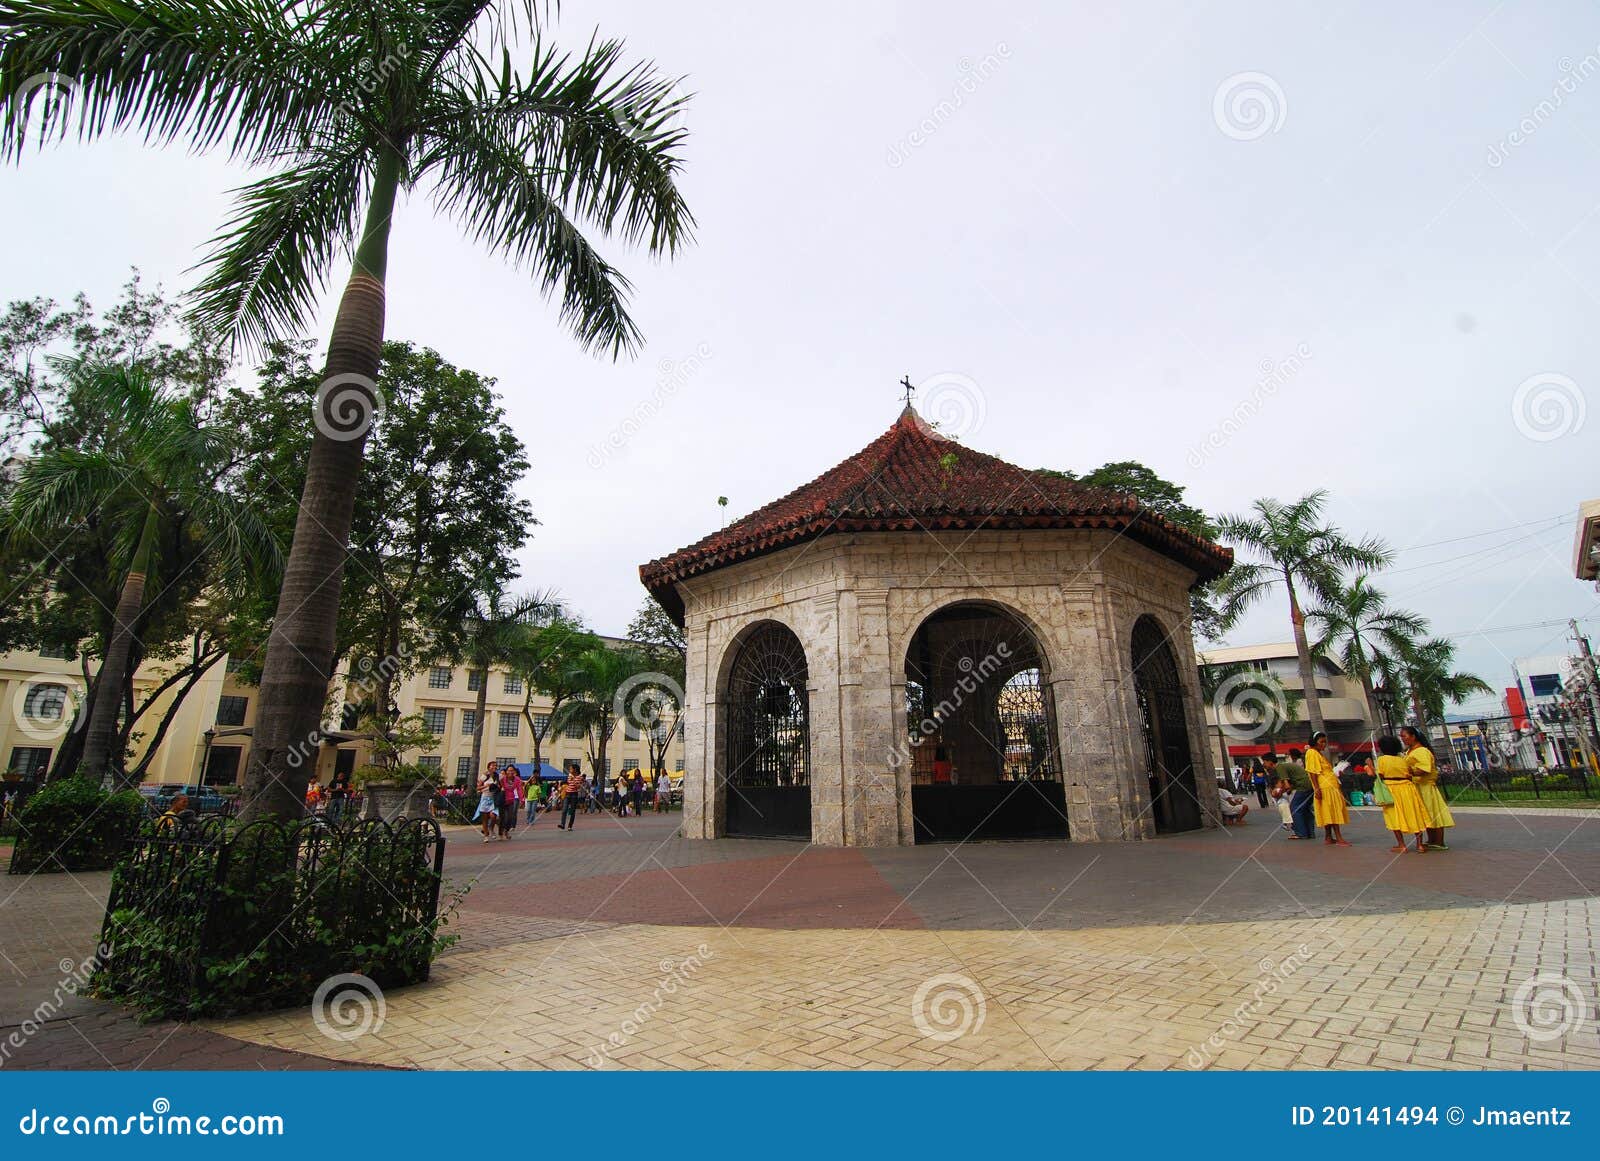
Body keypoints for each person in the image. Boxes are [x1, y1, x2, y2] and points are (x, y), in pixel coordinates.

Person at [1402, 725, 1454, 851]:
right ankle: (1432, 840)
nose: (1403, 739)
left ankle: (1439, 841)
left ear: (1413, 736)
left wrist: (1411, 772)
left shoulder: (1421, 751)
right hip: (1418, 786)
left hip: (1425, 787)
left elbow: (1425, 769)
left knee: (1433, 812)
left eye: (1404, 736)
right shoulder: (1410, 751)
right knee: (1425, 814)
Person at [1375, 734, 1428, 853]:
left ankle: (1402, 845)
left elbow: (1380, 775)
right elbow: (1409, 772)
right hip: (1407, 788)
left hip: (1392, 789)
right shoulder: (1403, 759)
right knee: (1414, 814)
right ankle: (1420, 845)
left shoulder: (1382, 759)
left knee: (1394, 816)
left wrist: (1369, 766)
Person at [1307, 731, 1349, 846]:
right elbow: (1312, 772)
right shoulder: (1312, 753)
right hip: (1325, 787)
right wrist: (1316, 788)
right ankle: (1339, 838)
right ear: (1314, 742)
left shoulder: (1318, 754)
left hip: (1329, 785)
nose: (1324, 744)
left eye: (1325, 742)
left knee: (1328, 812)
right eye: (1321, 742)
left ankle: (1328, 837)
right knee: (1333, 811)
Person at [1279, 747, 1315, 840]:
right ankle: (1309, 832)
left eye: (1289, 754)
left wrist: (1282, 791)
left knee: (1295, 809)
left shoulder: (1297, 762)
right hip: (1307, 785)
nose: (1288, 756)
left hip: (1302, 786)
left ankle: (1301, 833)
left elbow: (1287, 782)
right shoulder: (1295, 762)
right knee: (1305, 809)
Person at [473, 764, 500, 843]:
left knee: (493, 816)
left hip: (493, 798)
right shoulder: (484, 776)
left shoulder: (497, 776)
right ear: (488, 767)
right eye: (492, 765)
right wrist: (486, 786)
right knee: (484, 818)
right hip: (485, 798)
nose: (494, 767)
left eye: (495, 765)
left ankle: (491, 828)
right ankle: (486, 835)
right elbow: (478, 788)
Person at [558, 762, 586, 830]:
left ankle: (570, 826)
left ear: (575, 769)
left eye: (571, 769)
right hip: (567, 794)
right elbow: (568, 783)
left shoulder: (579, 777)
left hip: (574, 795)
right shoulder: (569, 776)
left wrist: (574, 780)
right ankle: (562, 824)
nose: (570, 770)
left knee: (572, 811)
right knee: (564, 809)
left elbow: (578, 787)